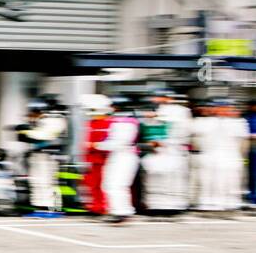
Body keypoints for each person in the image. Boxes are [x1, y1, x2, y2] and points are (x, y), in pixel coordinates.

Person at [191, 99, 248, 213]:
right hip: (210, 154)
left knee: (230, 180)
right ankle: (208, 202)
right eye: (219, 107)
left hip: (230, 155)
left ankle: (229, 202)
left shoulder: (238, 122)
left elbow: (242, 143)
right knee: (208, 180)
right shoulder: (205, 122)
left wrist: (242, 158)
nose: (222, 110)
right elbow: (196, 138)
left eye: (225, 107)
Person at [140, 90, 192, 213]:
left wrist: (166, 142)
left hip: (174, 150)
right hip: (158, 151)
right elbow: (150, 130)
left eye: (160, 97)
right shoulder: (156, 110)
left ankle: (175, 206)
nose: (156, 100)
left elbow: (182, 131)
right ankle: (156, 205)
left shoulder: (180, 111)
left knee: (173, 180)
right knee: (155, 179)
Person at [16, 98, 68, 215]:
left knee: (48, 182)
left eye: (34, 112)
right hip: (38, 155)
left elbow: (44, 135)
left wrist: (26, 132)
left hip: (50, 155)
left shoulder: (55, 120)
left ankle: (54, 209)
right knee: (36, 181)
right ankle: (40, 208)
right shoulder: (40, 121)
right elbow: (34, 136)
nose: (32, 115)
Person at [98, 96, 140, 224]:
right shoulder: (119, 121)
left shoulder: (125, 122)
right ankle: (119, 210)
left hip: (124, 155)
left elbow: (119, 142)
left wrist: (98, 145)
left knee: (116, 185)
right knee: (109, 184)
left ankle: (121, 212)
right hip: (118, 155)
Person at [80, 94, 113, 215]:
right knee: (92, 184)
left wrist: (93, 145)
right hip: (92, 159)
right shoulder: (91, 123)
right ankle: (96, 206)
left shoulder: (109, 123)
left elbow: (107, 142)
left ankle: (103, 206)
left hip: (104, 159)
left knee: (103, 184)